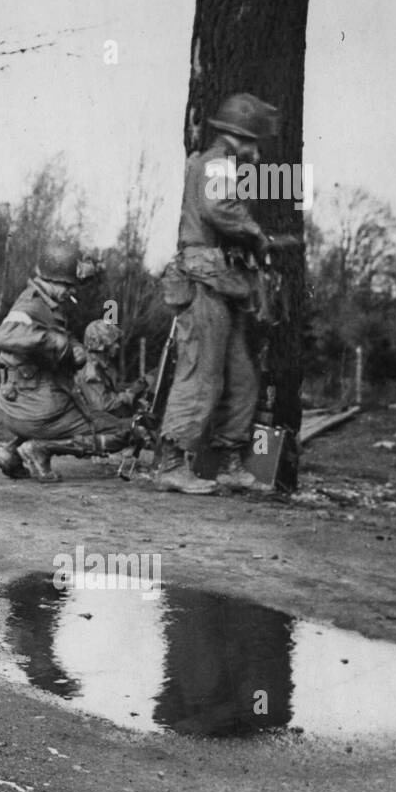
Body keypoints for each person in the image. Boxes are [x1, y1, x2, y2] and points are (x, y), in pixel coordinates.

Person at [154, 92, 284, 495]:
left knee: (241, 378)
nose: (259, 153)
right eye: (257, 143)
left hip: (225, 280)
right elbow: (219, 211)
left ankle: (229, 462)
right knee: (201, 374)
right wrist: (257, 233)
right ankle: (171, 464)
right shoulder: (217, 164)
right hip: (206, 279)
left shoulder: (221, 164)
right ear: (243, 138)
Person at [0, 243, 132, 482]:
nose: (72, 292)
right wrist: (63, 347)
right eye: (68, 285)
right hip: (37, 410)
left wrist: (71, 346)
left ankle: (13, 453)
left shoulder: (46, 304)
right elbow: (5, 335)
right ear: (53, 279)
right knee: (118, 431)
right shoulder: (32, 304)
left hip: (12, 407)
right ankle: (40, 449)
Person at [76, 320, 148, 419]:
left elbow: (111, 388)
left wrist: (132, 386)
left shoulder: (104, 365)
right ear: (102, 345)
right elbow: (102, 404)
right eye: (113, 343)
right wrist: (126, 396)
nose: (117, 346)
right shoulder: (91, 369)